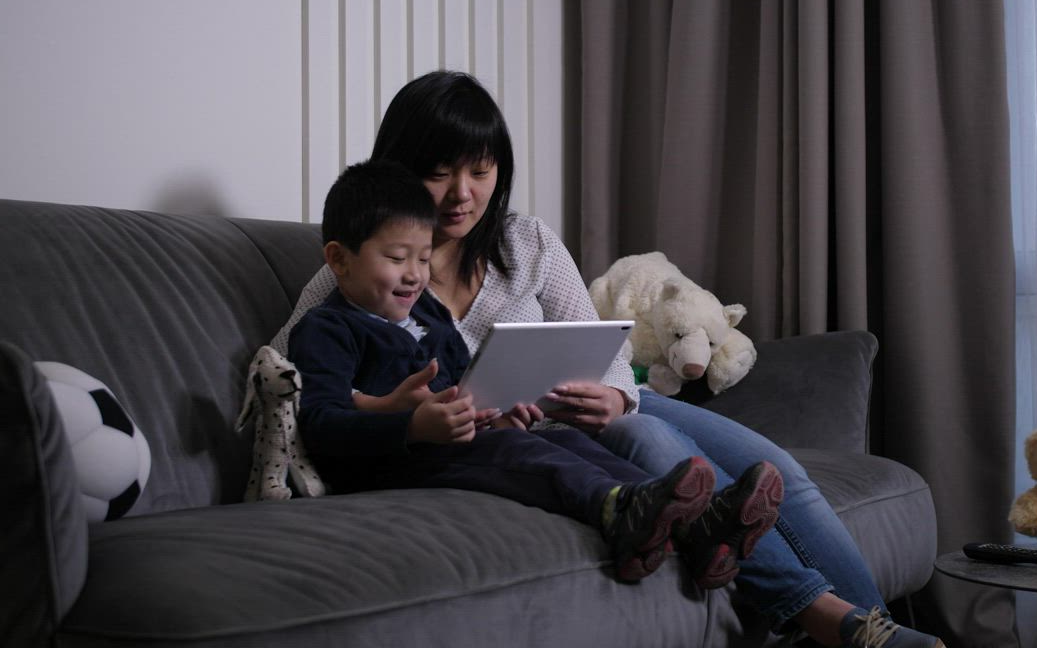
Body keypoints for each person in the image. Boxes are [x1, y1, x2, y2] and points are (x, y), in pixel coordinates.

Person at [273, 71, 941, 647]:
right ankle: (828, 616)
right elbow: (285, 370)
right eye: (439, 172)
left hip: (602, 403)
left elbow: (604, 345)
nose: (461, 194)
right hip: (537, 431)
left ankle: (873, 626)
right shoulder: (363, 268)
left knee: (782, 471)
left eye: (479, 171)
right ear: (399, 169)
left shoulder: (525, 241)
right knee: (652, 441)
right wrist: (382, 408)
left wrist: (617, 394)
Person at [284, 157, 784, 586]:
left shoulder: (426, 311)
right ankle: (619, 509)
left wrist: (494, 410)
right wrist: (409, 424)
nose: (416, 274)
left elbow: (465, 382)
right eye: (397, 258)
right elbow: (320, 424)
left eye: (422, 256)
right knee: (517, 450)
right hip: (392, 462)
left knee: (563, 440)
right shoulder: (327, 329)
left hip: (453, 442)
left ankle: (698, 528)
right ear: (339, 260)